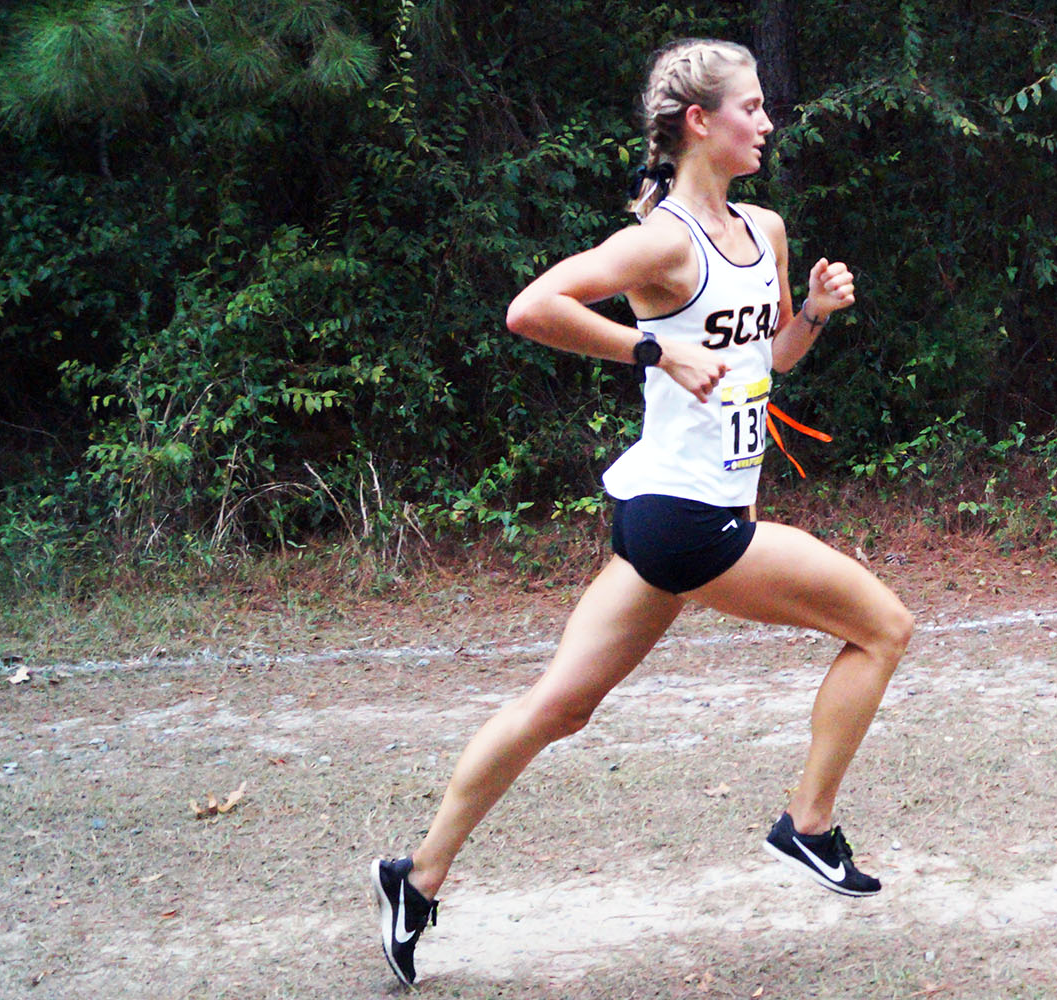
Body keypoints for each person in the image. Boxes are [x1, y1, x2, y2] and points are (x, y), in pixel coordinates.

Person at [368, 38, 913, 987]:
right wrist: (652, 354)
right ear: (701, 123)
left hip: (665, 516)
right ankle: (809, 823)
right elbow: (532, 308)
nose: (767, 123)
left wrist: (816, 312)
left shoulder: (768, 228)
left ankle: (416, 876)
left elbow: (769, 362)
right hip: (687, 519)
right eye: (751, 108)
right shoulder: (662, 240)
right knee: (883, 628)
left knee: (559, 707)